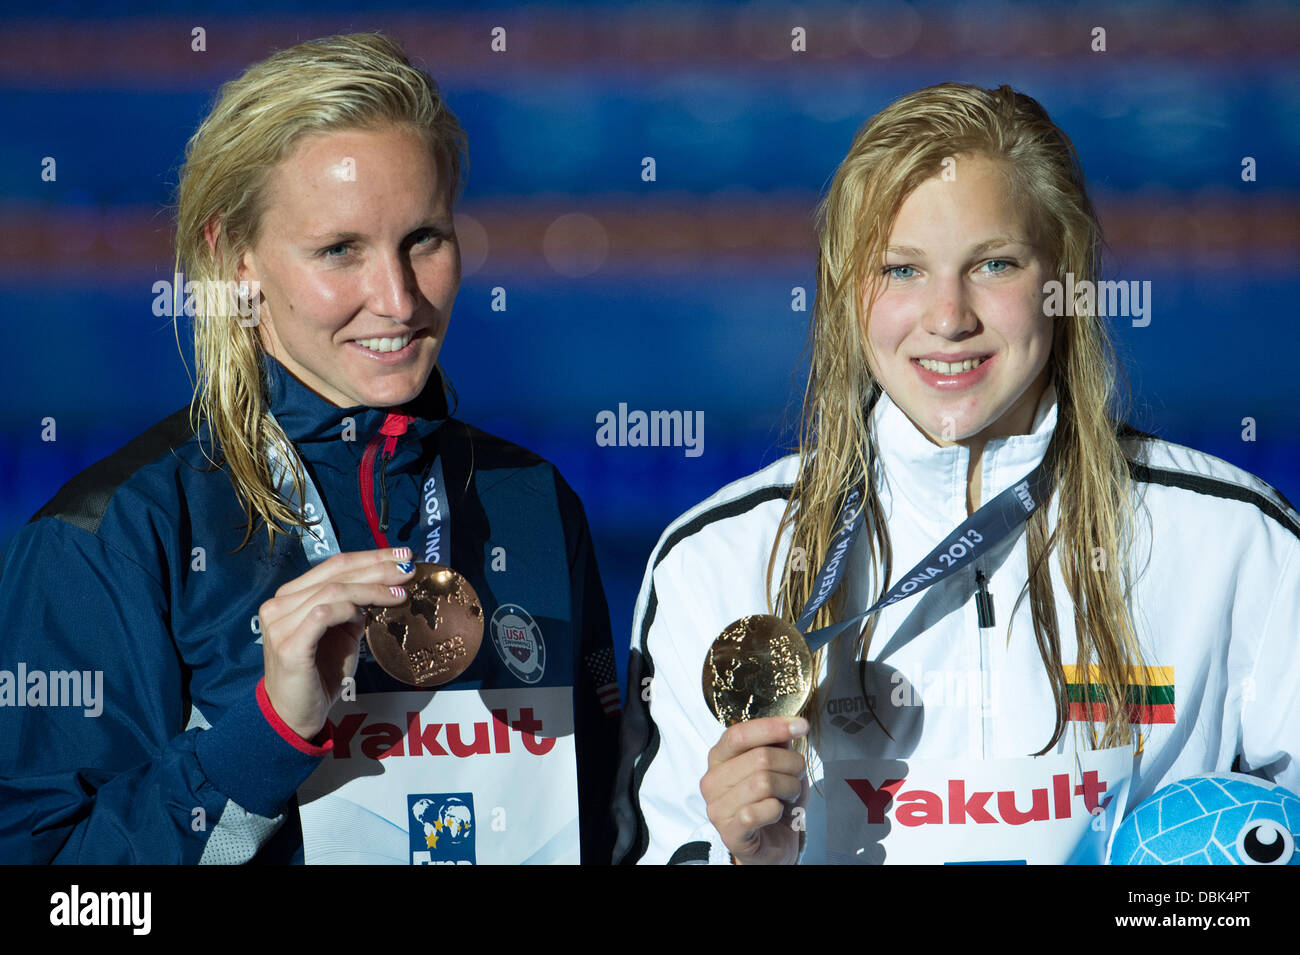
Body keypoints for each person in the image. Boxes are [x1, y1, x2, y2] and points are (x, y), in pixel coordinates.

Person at [612, 83, 1300, 865]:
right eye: (902, 271)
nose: (948, 317)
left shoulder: (1236, 545)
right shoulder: (720, 559)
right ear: (846, 294)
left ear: (1062, 278)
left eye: (994, 264)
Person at [0, 32, 619, 864]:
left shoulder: (530, 500)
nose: (397, 299)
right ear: (236, 259)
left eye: (423, 239)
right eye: (339, 250)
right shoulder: (110, 538)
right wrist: (267, 734)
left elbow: (608, 827)